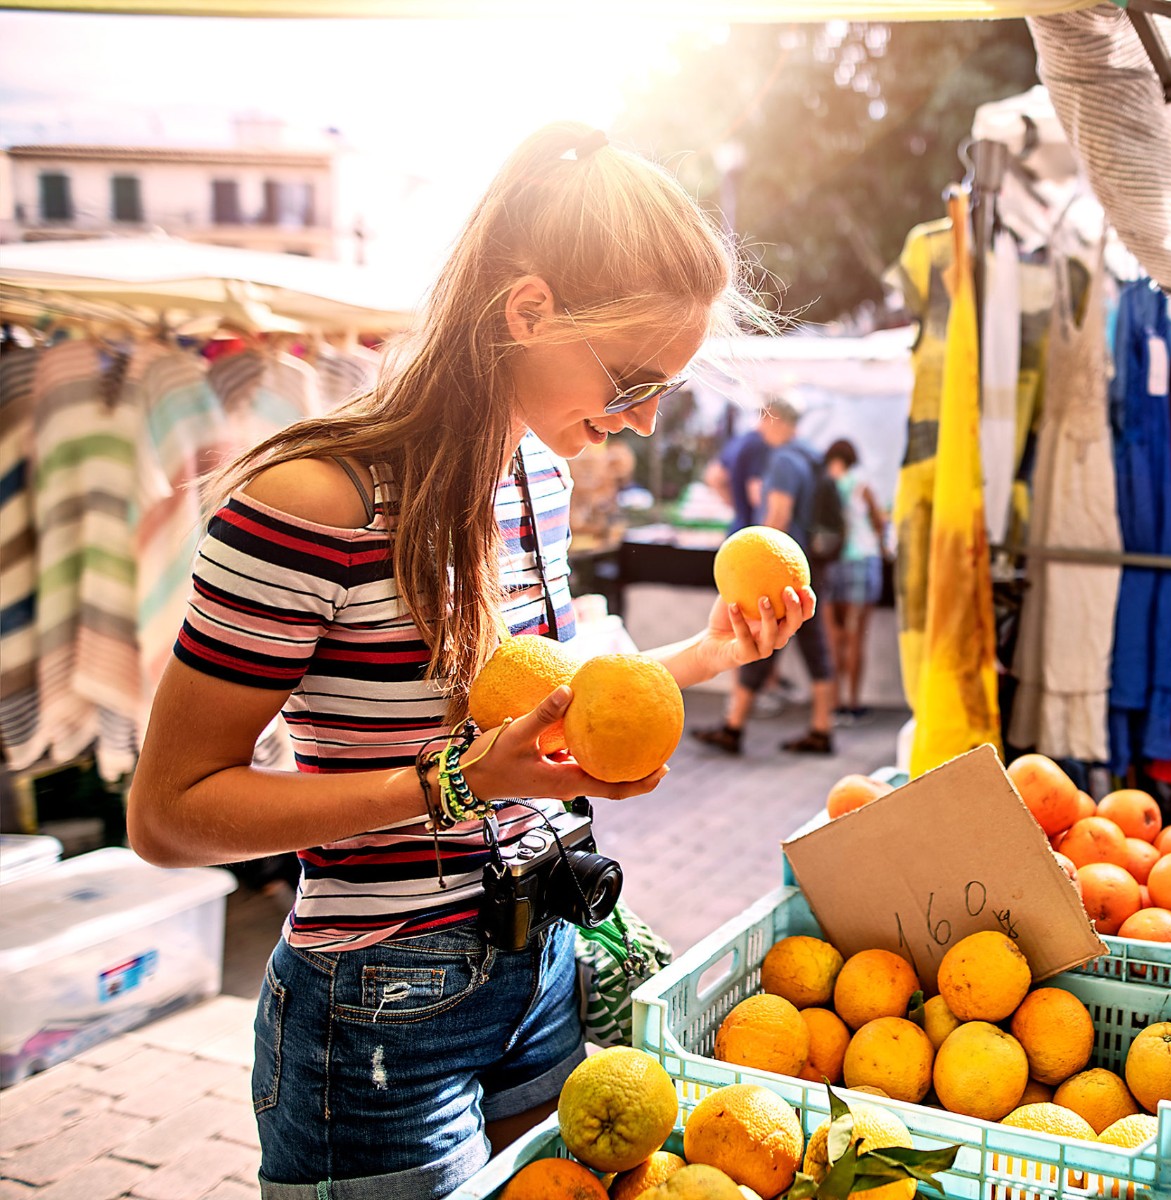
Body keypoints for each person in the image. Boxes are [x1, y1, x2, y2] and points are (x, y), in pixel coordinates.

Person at [126, 123, 815, 1200]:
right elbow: (167, 815)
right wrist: (459, 783)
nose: (637, 421)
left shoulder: (536, 477)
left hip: (542, 967)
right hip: (377, 1015)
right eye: (632, 379)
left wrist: (701, 656)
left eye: (661, 393)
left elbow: (528, 700)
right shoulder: (310, 502)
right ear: (528, 309)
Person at [694, 397, 837, 755]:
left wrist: (754, 559)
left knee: (763, 644)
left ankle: (737, 727)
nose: (759, 429)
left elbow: (777, 518)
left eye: (763, 421)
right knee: (806, 647)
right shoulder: (807, 456)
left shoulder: (784, 460)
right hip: (805, 567)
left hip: (782, 571)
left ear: (776, 422)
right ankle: (815, 728)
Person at [821, 439, 887, 724]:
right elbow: (880, 522)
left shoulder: (826, 482)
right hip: (862, 560)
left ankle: (833, 703)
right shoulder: (861, 483)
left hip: (832, 562)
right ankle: (852, 702)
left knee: (834, 637)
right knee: (856, 636)